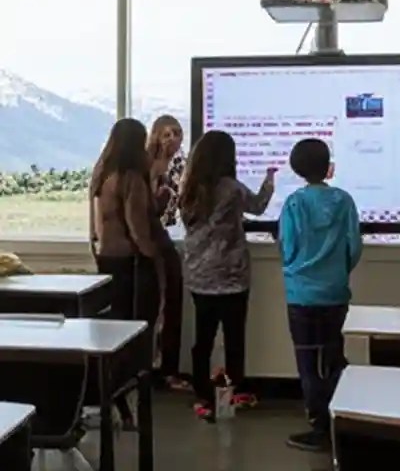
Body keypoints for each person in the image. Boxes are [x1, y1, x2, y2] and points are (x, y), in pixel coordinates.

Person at [178, 130, 275, 422]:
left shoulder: (189, 189)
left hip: (199, 275)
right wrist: (269, 180)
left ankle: (202, 394)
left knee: (203, 339)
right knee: (234, 338)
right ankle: (235, 390)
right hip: (232, 276)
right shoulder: (232, 189)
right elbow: (258, 206)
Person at [276, 138, 362, 452]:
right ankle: (342, 421)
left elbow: (287, 247)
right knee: (334, 357)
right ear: (328, 167)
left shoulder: (294, 204)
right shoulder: (344, 201)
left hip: (302, 295)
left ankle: (319, 427)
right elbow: (354, 247)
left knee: (309, 363)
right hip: (335, 292)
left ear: (296, 168)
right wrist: (337, 271)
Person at [89, 118, 165, 429]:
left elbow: (97, 227)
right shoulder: (131, 178)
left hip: (106, 259)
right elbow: (137, 227)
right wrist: (155, 254)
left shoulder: (101, 176)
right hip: (133, 263)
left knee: (114, 330)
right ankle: (128, 397)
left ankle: (112, 399)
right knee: (137, 334)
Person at [147, 114, 188, 392]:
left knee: (172, 304)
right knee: (156, 307)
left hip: (170, 236)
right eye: (166, 133)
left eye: (177, 132)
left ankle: (168, 369)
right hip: (151, 239)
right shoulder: (148, 165)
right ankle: (152, 367)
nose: (172, 138)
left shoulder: (183, 164)